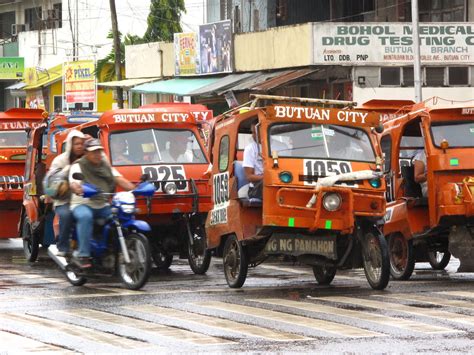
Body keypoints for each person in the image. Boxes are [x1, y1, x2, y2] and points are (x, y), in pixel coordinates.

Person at [69, 139, 135, 268]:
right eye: (94, 152)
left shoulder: (105, 165)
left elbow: (119, 179)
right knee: (85, 217)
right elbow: (73, 182)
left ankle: (116, 248)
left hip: (102, 203)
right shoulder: (78, 165)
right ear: (86, 153)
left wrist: (135, 189)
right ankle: (83, 255)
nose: (98, 154)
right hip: (82, 203)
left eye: (99, 151)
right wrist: (78, 188)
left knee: (120, 216)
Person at [48, 130, 86, 257]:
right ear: (70, 145)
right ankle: (63, 246)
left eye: (82, 143)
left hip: (85, 198)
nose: (80, 146)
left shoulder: (88, 158)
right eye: (76, 144)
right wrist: (68, 170)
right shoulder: (60, 160)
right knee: (66, 215)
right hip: (64, 200)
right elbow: (53, 181)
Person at [243, 121, 263, 200]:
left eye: (256, 132)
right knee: (267, 183)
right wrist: (267, 177)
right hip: (257, 187)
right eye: (253, 132)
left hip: (279, 182)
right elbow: (249, 176)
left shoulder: (281, 146)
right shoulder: (250, 149)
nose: (253, 135)